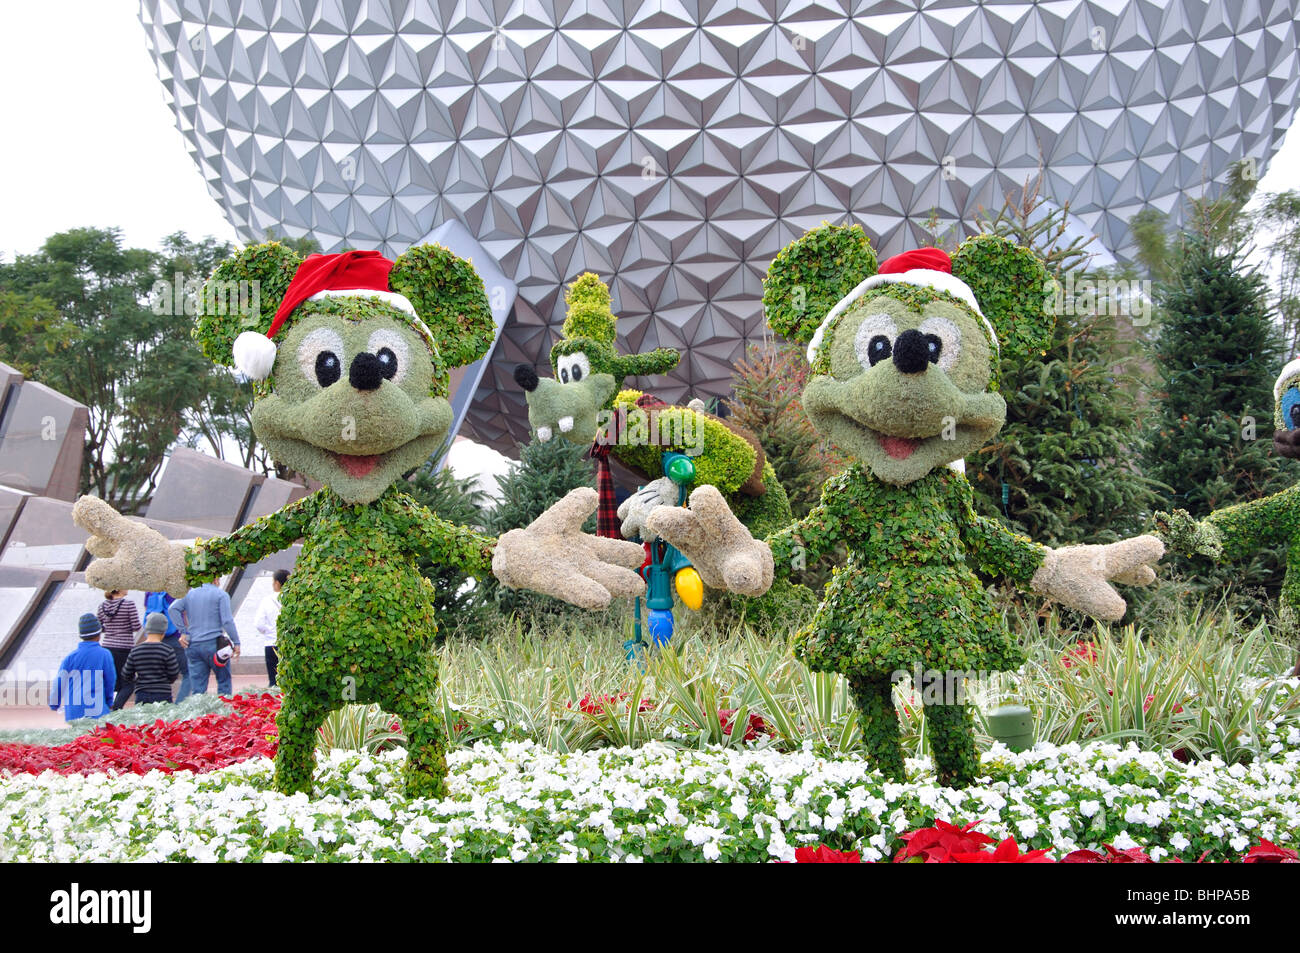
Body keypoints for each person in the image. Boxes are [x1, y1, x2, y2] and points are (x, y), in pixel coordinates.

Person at [168, 578, 241, 695]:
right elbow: (227, 621)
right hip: (216, 646)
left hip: (194, 645)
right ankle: (223, 710)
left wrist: (183, 631)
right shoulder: (221, 595)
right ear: (215, 578)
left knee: (198, 689)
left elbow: (173, 609)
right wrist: (236, 642)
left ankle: (201, 712)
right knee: (224, 682)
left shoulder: (189, 594)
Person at [49, 614, 116, 722]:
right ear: (99, 634)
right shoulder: (104, 654)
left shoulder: (70, 657)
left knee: (78, 738)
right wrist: (109, 702)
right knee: (97, 738)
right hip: (97, 709)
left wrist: (54, 703)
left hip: (74, 711)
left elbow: (60, 681)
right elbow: (110, 681)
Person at [119, 612, 182, 705]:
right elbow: (173, 674)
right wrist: (164, 681)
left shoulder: (136, 650)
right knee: (163, 718)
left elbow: (126, 673)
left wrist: (137, 681)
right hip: (162, 693)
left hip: (141, 693)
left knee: (143, 719)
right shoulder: (167, 650)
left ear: (147, 630)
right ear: (163, 632)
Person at [145, 590, 191, 703]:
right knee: (188, 673)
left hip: (155, 638)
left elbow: (148, 613)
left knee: (158, 672)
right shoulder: (174, 591)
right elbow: (183, 612)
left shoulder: (150, 592)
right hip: (175, 637)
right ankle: (179, 704)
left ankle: (157, 705)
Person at [98, 589, 141, 708]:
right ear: (119, 588)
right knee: (128, 682)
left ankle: (106, 706)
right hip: (124, 648)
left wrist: (111, 629)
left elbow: (99, 626)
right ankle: (117, 708)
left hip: (107, 646)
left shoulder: (102, 606)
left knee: (111, 679)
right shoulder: (129, 604)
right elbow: (136, 626)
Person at [255, 569, 289, 687]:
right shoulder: (293, 599)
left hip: (271, 643)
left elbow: (259, 624)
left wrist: (269, 631)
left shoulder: (267, 600)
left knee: (274, 682)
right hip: (289, 644)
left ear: (277, 583)